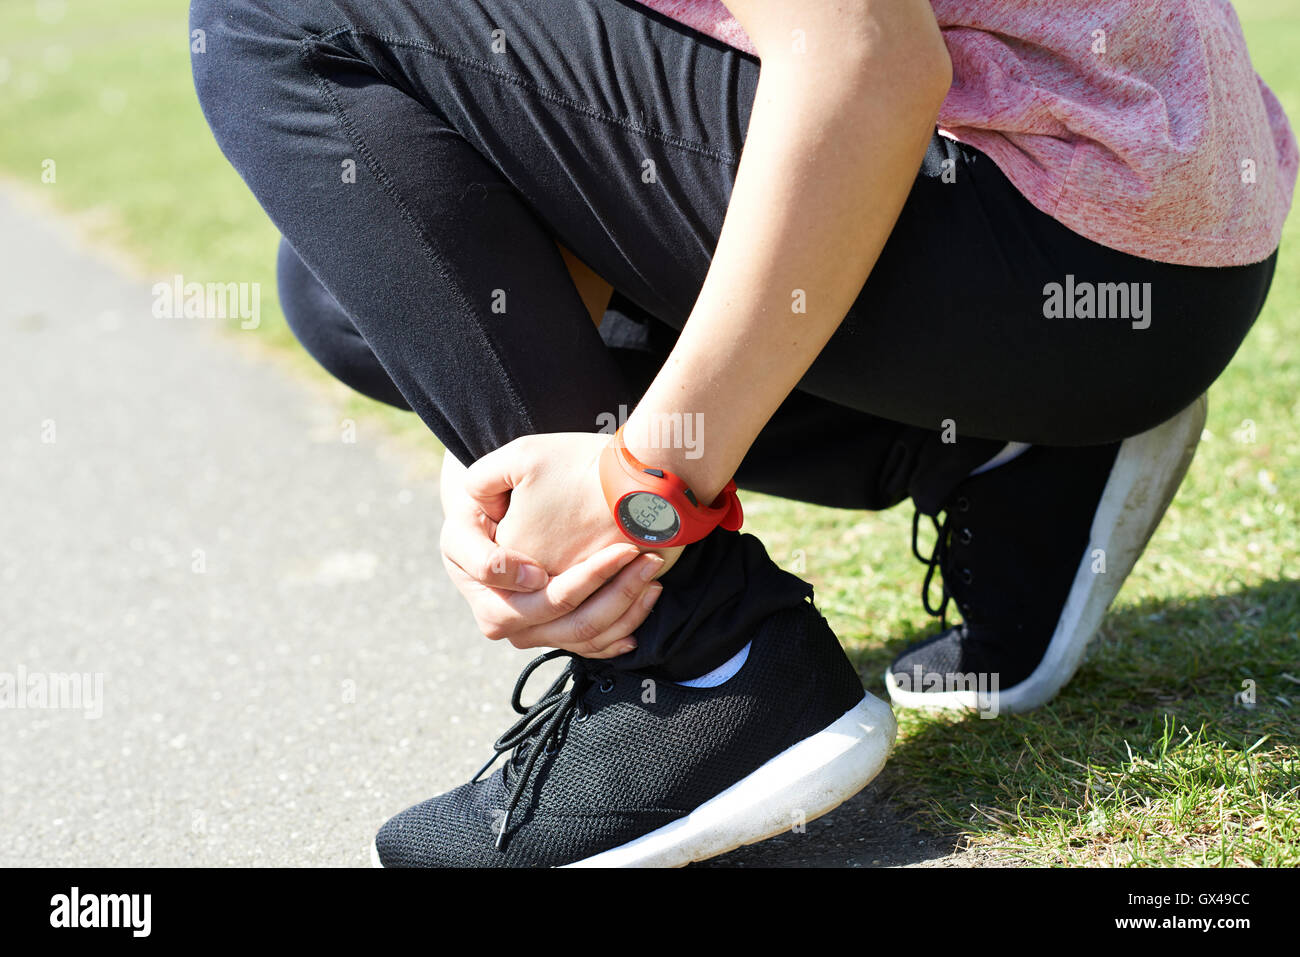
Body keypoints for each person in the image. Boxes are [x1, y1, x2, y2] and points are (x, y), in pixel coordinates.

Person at [190, 0, 1295, 867]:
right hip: (1125, 245)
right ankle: (997, 452)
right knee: (351, 293)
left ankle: (706, 663)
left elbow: (866, 64)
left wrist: (642, 491)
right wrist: (496, 463)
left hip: (1062, 227)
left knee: (274, 10)